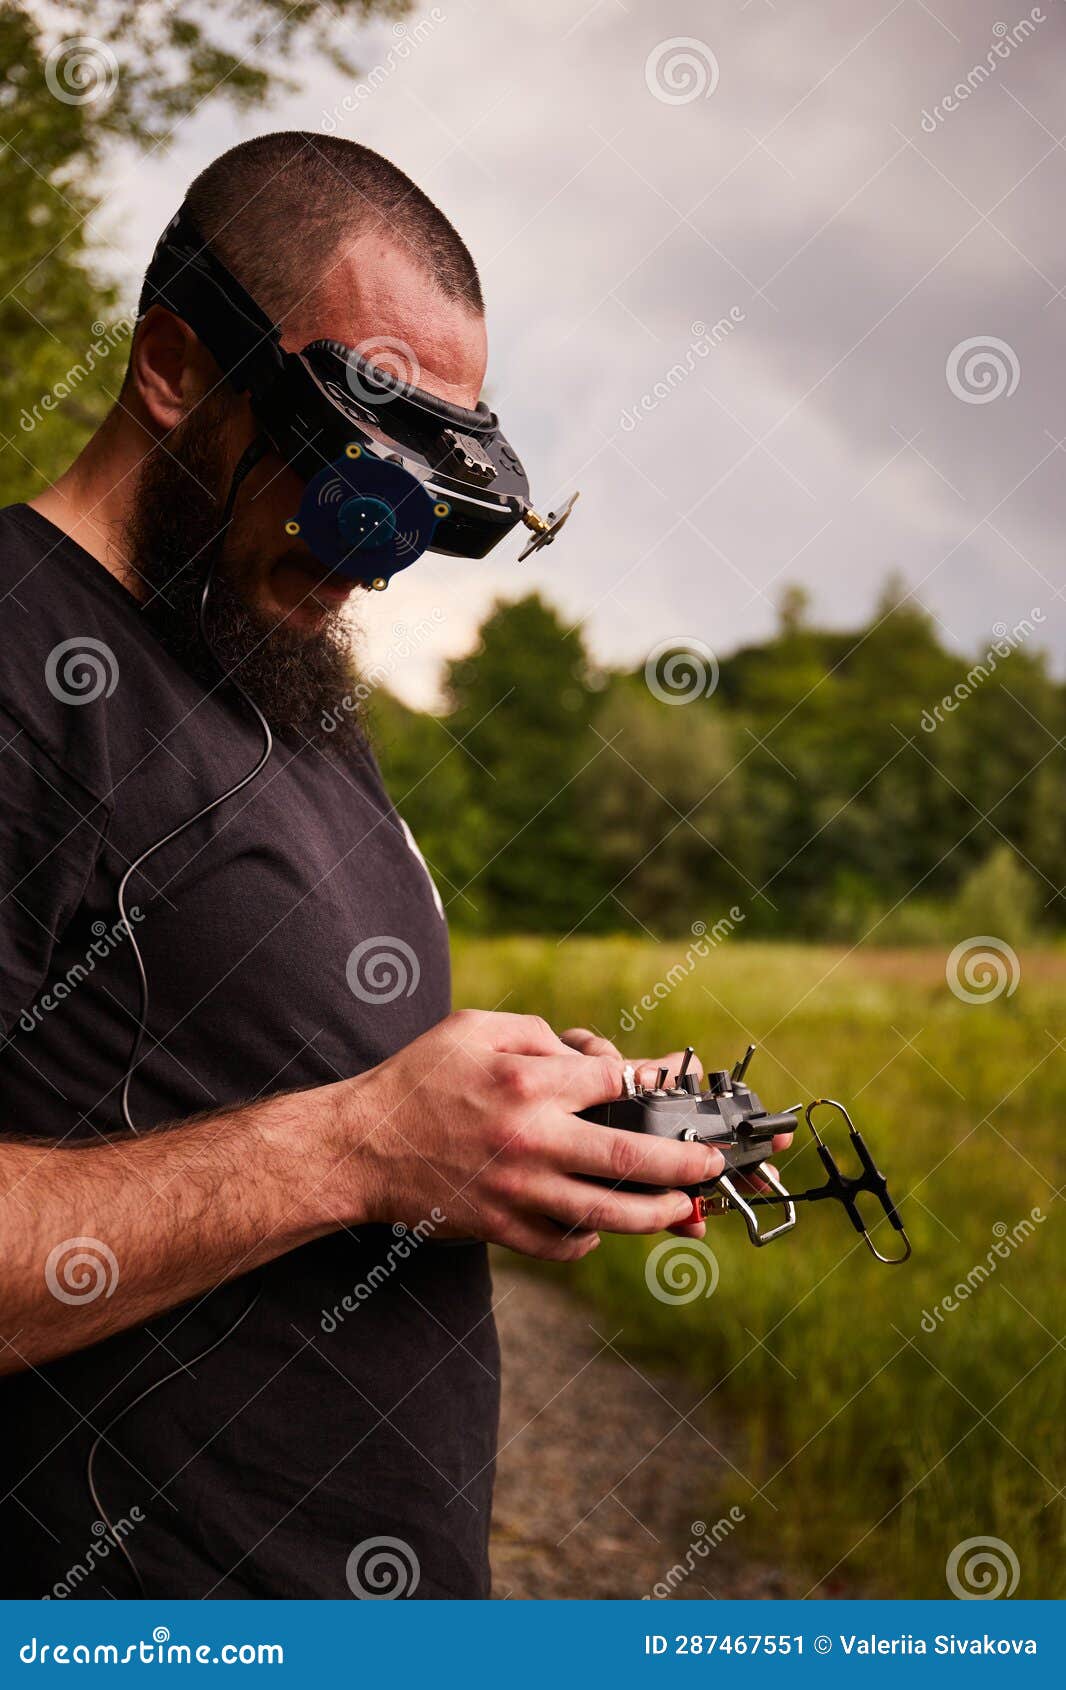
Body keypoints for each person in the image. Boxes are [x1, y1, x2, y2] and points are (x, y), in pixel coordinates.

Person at [0, 132, 786, 1599]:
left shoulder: (276, 654)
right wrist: (356, 1147)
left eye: (435, 499)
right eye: (353, 469)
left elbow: (296, 1067)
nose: (379, 553)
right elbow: (349, 1133)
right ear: (172, 366)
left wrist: (530, 1128)